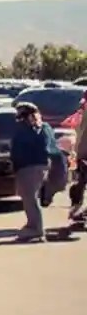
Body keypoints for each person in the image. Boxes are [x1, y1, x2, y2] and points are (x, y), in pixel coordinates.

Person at [10, 102, 58, 243]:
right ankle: (32, 225)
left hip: (29, 166)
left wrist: (16, 163)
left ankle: (36, 229)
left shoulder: (30, 128)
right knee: (29, 197)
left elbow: (20, 148)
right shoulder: (42, 127)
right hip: (36, 166)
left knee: (30, 198)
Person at [68, 92, 87, 225]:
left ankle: (78, 211)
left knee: (80, 184)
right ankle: (77, 210)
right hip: (82, 154)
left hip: (84, 154)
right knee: (79, 184)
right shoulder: (83, 114)